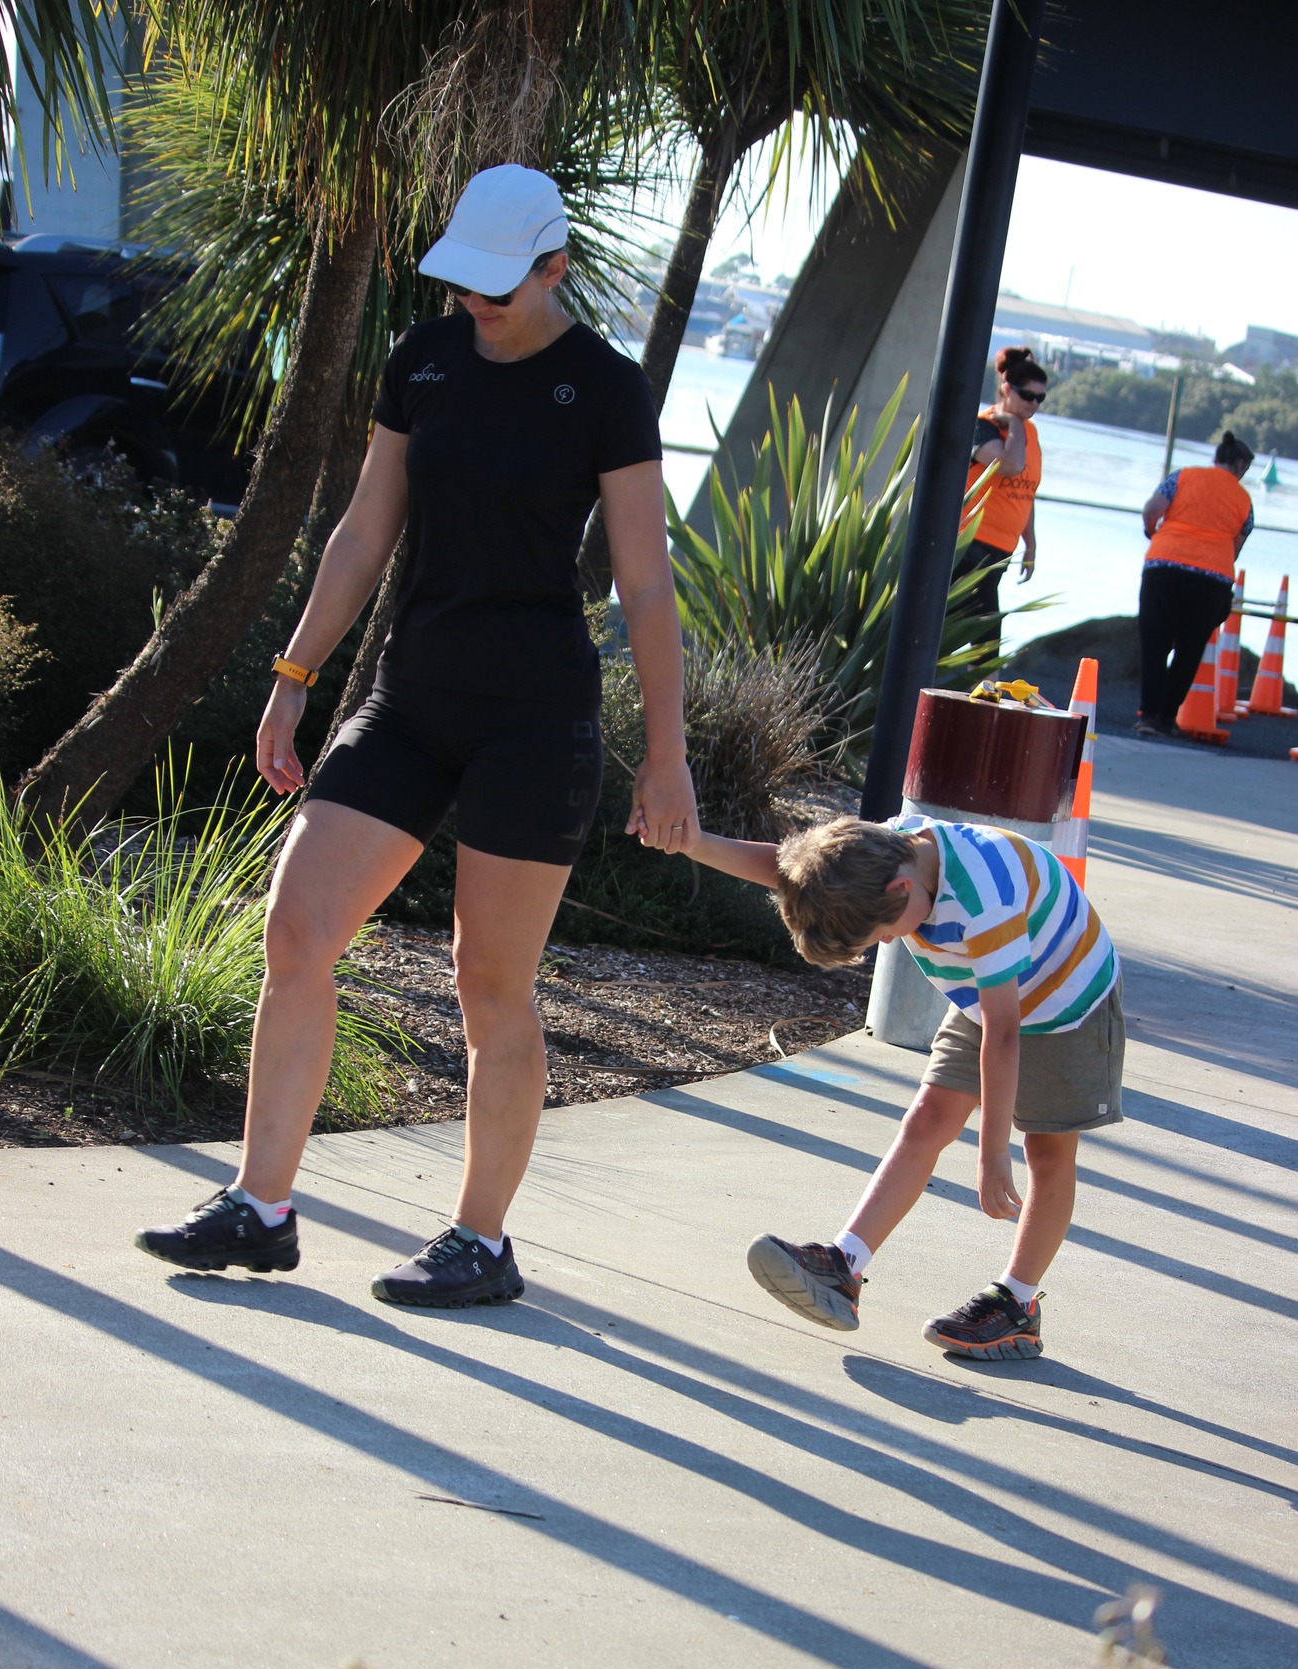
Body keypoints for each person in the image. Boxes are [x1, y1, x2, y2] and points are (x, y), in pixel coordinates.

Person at [136, 165, 696, 1307]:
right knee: (298, 931)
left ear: (556, 266)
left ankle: (482, 1241)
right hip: (411, 697)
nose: (477, 304)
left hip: (535, 720)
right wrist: (294, 676)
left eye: (501, 286)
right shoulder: (425, 361)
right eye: (465, 283)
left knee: (489, 982)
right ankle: (262, 1205)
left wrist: (670, 750)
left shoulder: (602, 389)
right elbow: (363, 529)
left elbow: (645, 583)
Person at [642, 810, 1122, 1363]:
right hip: (987, 994)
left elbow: (1006, 1033)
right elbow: (784, 866)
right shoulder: (872, 857)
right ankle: (845, 1264)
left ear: (901, 888)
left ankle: (1017, 1306)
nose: (893, 942)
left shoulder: (984, 898)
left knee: (1047, 1149)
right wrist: (693, 842)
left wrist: (992, 1153)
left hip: (1067, 1004)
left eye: (886, 933)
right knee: (926, 1121)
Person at [1135, 430, 1253, 738]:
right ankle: (1167, 717)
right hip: (1212, 578)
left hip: (1165, 565)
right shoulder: (1244, 500)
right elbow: (1236, 546)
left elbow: (1151, 510)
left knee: (1155, 642)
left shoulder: (1182, 476)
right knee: (1190, 648)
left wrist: (1154, 533)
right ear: (1240, 464)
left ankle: (1148, 715)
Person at [953, 345, 1047, 642]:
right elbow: (1010, 466)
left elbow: (1026, 492)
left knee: (980, 633)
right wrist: (1015, 424)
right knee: (983, 635)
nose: (1034, 404)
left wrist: (1030, 544)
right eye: (1028, 396)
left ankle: (975, 682)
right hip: (971, 544)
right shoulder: (984, 426)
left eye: (1040, 398)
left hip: (1001, 550)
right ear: (1007, 389)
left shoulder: (1029, 433)